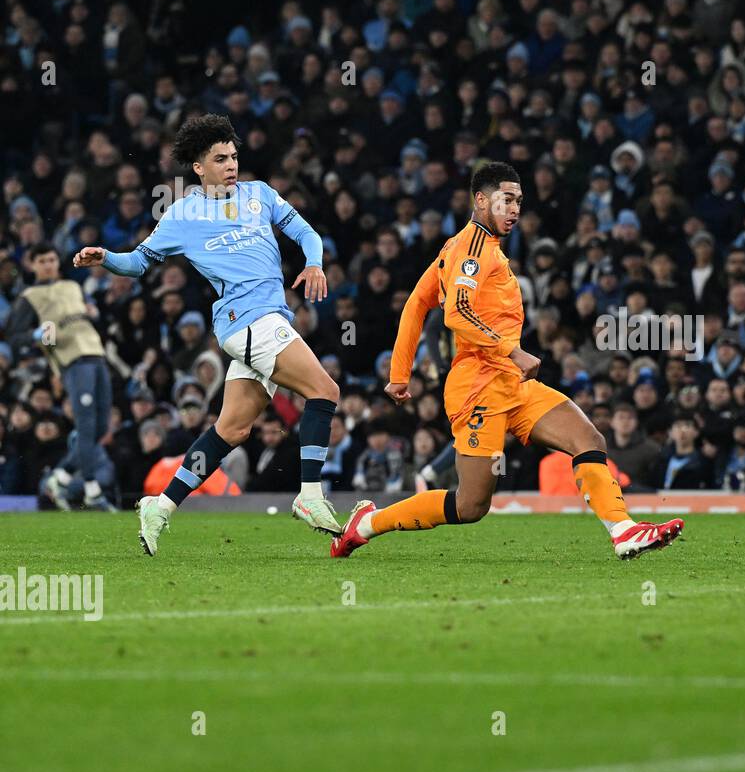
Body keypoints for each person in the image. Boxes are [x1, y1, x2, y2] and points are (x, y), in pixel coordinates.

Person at [328, 161, 683, 559]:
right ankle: (367, 524)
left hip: (510, 381)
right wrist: (511, 350)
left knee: (588, 438)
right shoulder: (472, 248)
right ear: (481, 200)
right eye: (507, 200)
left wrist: (399, 374)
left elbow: (416, 304)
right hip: (478, 386)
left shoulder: (464, 247)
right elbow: (455, 312)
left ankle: (623, 531)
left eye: (519, 201)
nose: (515, 209)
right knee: (471, 505)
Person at [73, 114, 342, 554]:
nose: (231, 165)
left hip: (264, 323)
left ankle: (160, 506)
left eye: (234, 156)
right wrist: (106, 257)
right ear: (199, 168)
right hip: (250, 321)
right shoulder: (182, 214)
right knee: (325, 391)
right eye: (220, 159)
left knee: (231, 431)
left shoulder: (260, 195)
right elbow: (139, 263)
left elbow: (306, 232)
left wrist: (314, 262)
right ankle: (310, 496)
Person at [7, 242, 116, 510]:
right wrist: (36, 336)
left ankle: (61, 476)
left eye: (52, 259)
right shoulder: (29, 296)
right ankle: (92, 491)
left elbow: (91, 313)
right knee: (87, 425)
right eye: (42, 260)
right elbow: (13, 335)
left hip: (96, 354)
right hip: (71, 361)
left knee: (101, 426)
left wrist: (94, 312)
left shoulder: (73, 287)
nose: (48, 265)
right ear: (32, 265)